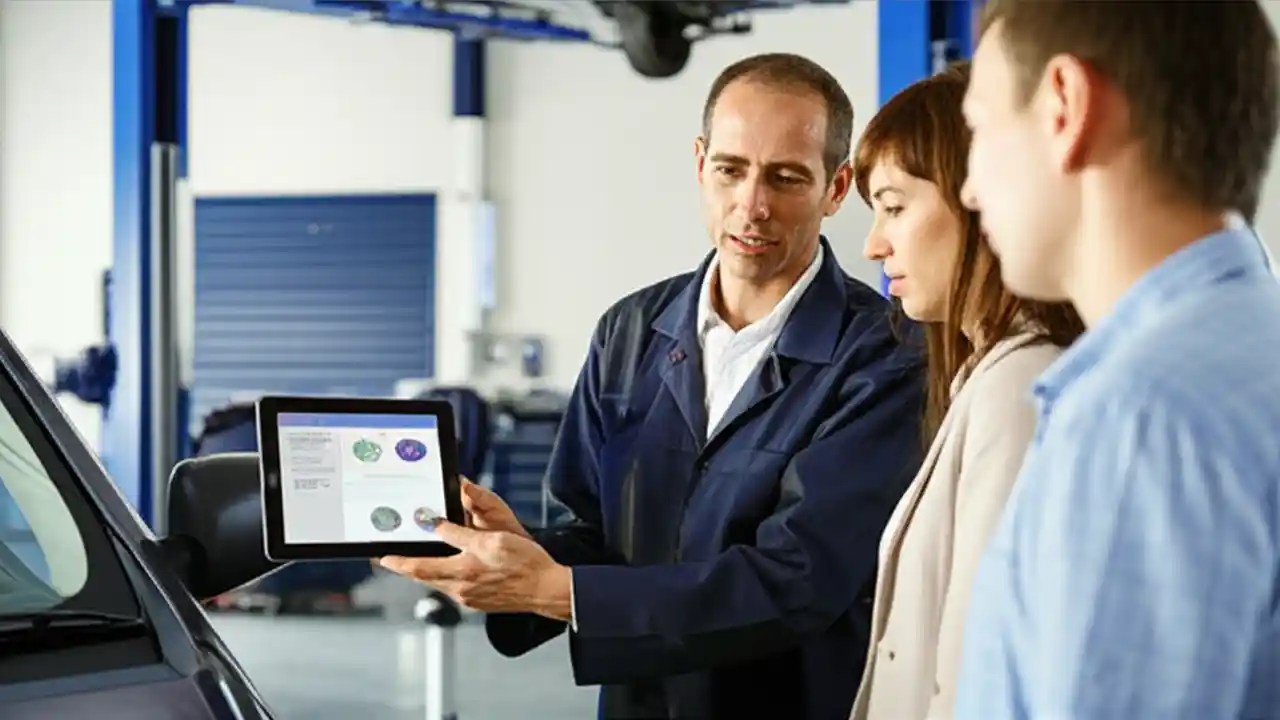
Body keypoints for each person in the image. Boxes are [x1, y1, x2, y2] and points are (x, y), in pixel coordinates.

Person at [378, 53, 926, 719]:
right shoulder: (629, 331)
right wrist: (519, 553)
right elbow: (594, 531)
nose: (751, 206)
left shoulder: (886, 358)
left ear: (836, 189)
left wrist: (559, 591)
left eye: (785, 178)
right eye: (730, 169)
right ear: (700, 163)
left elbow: (798, 579)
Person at [954, 2, 1280, 718]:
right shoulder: (1253, 349)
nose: (970, 188)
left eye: (978, 127)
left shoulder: (1142, 416)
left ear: (1065, 107)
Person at [846, 63, 1084, 720]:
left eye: (894, 207)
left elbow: (977, 677)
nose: (872, 245)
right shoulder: (991, 374)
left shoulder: (1019, 387)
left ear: (982, 194)